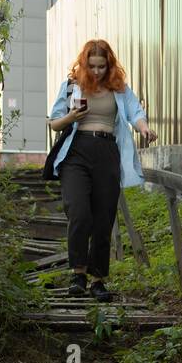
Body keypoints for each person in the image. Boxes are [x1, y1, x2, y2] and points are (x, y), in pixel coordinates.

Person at [46, 39, 157, 301]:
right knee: (79, 211)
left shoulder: (118, 88)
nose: (97, 72)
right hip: (77, 152)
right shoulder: (72, 85)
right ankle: (78, 274)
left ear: (110, 65)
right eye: (92, 66)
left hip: (107, 152)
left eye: (102, 67)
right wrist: (71, 117)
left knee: (103, 217)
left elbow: (134, 111)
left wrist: (144, 128)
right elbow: (54, 122)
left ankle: (98, 280)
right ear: (84, 64)